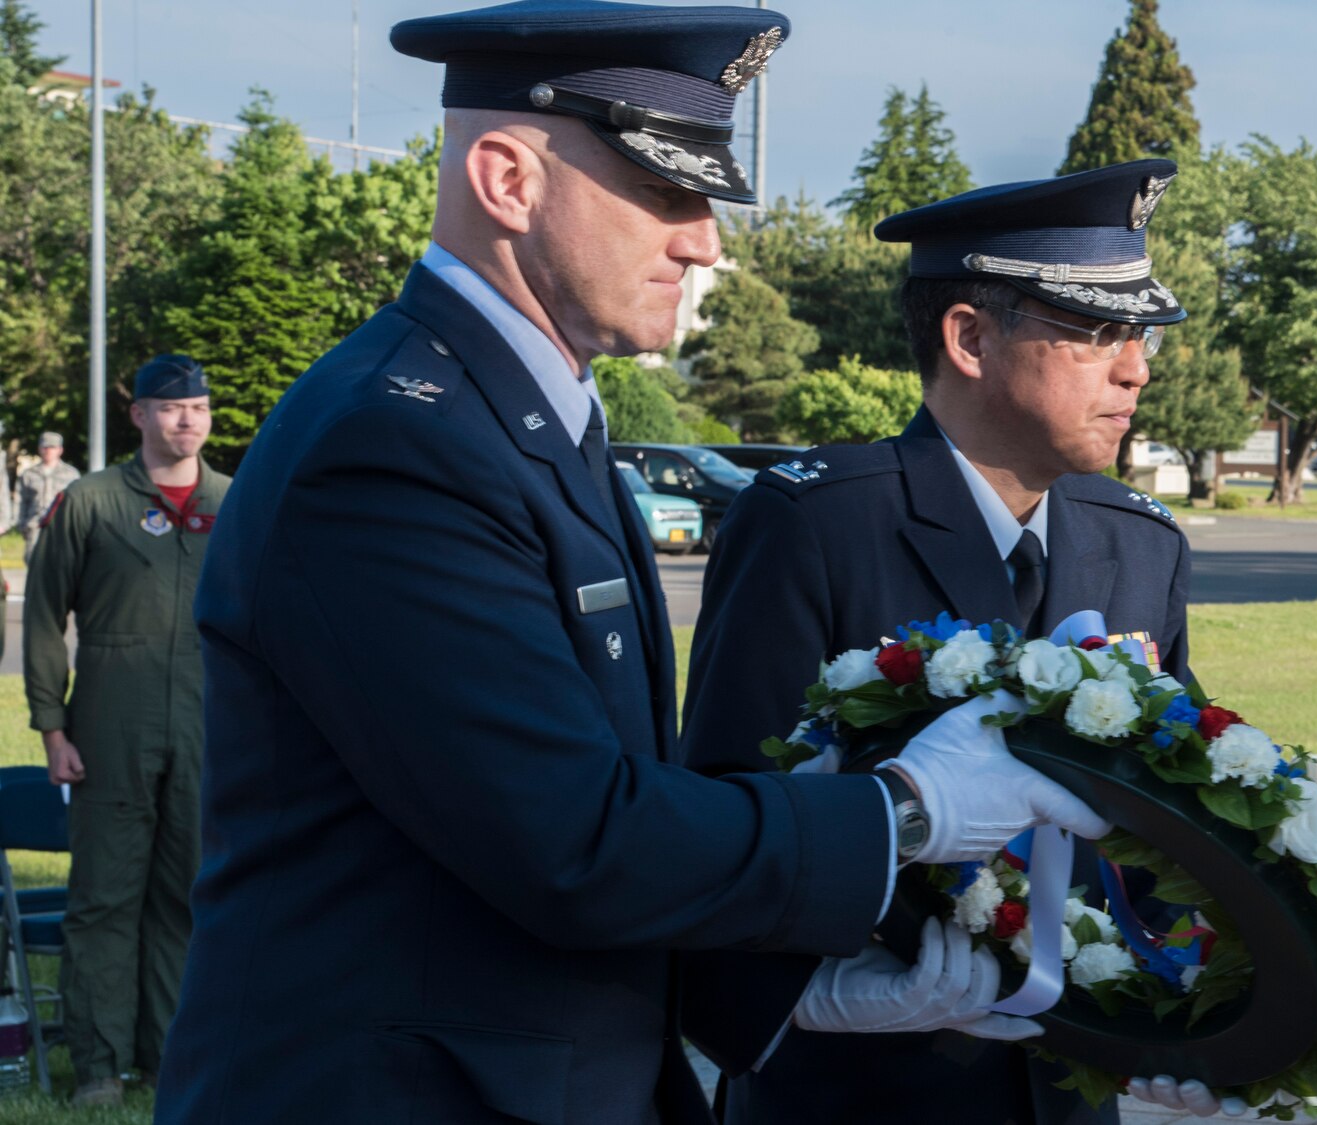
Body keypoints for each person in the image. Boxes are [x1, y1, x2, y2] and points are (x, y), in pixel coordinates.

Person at [151, 6, 1110, 1124]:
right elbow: (574, 838)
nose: (704, 242)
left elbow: (593, 810)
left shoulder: (518, 420)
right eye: (664, 192)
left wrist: (796, 991)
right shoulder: (395, 444)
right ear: (507, 180)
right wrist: (904, 810)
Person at [683, 161, 1244, 1123]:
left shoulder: (1139, 543)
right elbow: (729, 816)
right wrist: (809, 999)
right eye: (1097, 332)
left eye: (1141, 334)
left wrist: (1195, 992)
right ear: (971, 337)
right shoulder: (818, 526)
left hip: (1067, 1087)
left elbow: (1160, 813)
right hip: (861, 1088)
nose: (1136, 369)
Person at [21, 354, 226, 1107]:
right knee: (105, 896)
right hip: (112, 720)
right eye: (171, 408)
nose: (187, 420)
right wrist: (52, 726)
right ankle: (100, 1066)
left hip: (206, 725)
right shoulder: (90, 501)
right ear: (138, 414)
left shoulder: (235, 502)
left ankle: (172, 1056)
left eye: (198, 407)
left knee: (189, 894)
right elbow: (45, 616)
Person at [18, 430, 79, 561]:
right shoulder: (29, 474)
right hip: (35, 525)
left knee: (61, 563)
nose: (48, 450)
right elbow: (22, 501)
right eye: (45, 447)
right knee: (33, 563)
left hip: (62, 526)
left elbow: (77, 503)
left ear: (60, 450)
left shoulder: (71, 474)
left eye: (52, 447)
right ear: (39, 449)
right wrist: (23, 525)